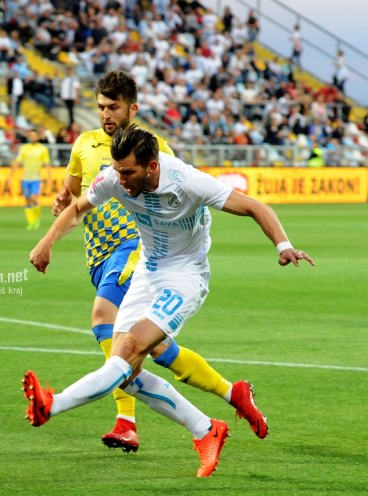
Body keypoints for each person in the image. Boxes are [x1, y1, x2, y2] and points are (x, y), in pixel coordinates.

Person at [24, 124, 315, 476]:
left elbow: (255, 206)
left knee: (130, 348)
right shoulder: (115, 178)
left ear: (152, 166)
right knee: (126, 374)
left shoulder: (187, 180)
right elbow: (77, 208)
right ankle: (206, 429)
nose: (122, 179)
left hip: (184, 278)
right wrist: (46, 242)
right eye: (118, 170)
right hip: (147, 272)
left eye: (129, 172)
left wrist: (284, 247)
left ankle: (50, 406)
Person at [52, 71, 268, 453]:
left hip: (136, 250)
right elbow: (74, 192)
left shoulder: (156, 151)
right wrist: (61, 203)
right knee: (156, 348)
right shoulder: (84, 144)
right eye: (100, 107)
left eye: (113, 107)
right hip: (97, 250)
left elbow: (173, 192)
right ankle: (230, 394)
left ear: (131, 109)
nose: (105, 115)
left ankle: (126, 420)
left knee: (109, 324)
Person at [10, 129, 51, 230]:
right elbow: (18, 161)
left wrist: (49, 177)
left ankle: (36, 219)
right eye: (31, 136)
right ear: (29, 137)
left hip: (36, 178)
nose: (33, 137)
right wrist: (10, 175)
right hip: (25, 178)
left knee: (33, 198)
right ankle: (31, 222)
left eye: (34, 136)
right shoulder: (24, 148)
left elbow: (47, 164)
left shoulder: (42, 149)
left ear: (38, 137)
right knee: (28, 200)